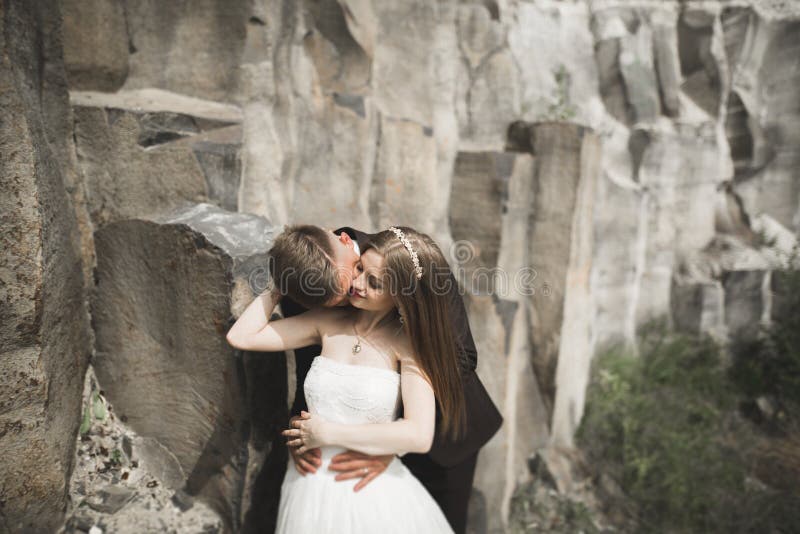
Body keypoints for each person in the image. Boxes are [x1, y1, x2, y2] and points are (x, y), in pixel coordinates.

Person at [263, 224, 503, 533]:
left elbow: (461, 358)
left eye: (365, 278)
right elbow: (311, 357)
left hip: (445, 436)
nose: (349, 292)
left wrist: (388, 443)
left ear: (349, 244)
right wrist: (304, 426)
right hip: (345, 446)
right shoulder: (308, 273)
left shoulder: (420, 270)